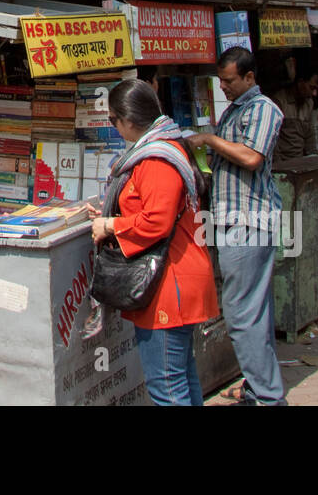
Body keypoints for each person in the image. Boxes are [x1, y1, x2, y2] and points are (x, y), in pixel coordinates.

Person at [87, 79, 219, 406]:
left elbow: (156, 222)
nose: (115, 128)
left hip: (168, 285)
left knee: (168, 391)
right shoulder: (166, 145)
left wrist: (110, 224)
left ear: (128, 120)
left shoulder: (156, 159)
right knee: (181, 379)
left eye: (113, 121)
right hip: (176, 278)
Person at [185, 46, 287, 405]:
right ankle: (260, 388)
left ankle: (267, 397)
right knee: (254, 315)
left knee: (243, 315)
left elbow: (251, 158)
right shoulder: (234, 111)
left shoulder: (262, 109)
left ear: (249, 77)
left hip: (248, 221)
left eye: (229, 81)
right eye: (221, 80)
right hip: (233, 219)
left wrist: (210, 139)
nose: (223, 87)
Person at [274, 62, 318, 162]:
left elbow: (310, 137)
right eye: (312, 88)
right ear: (300, 82)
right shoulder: (279, 101)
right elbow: (272, 139)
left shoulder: (309, 103)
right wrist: (279, 165)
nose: (314, 93)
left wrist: (314, 161)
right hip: (281, 163)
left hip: (300, 162)